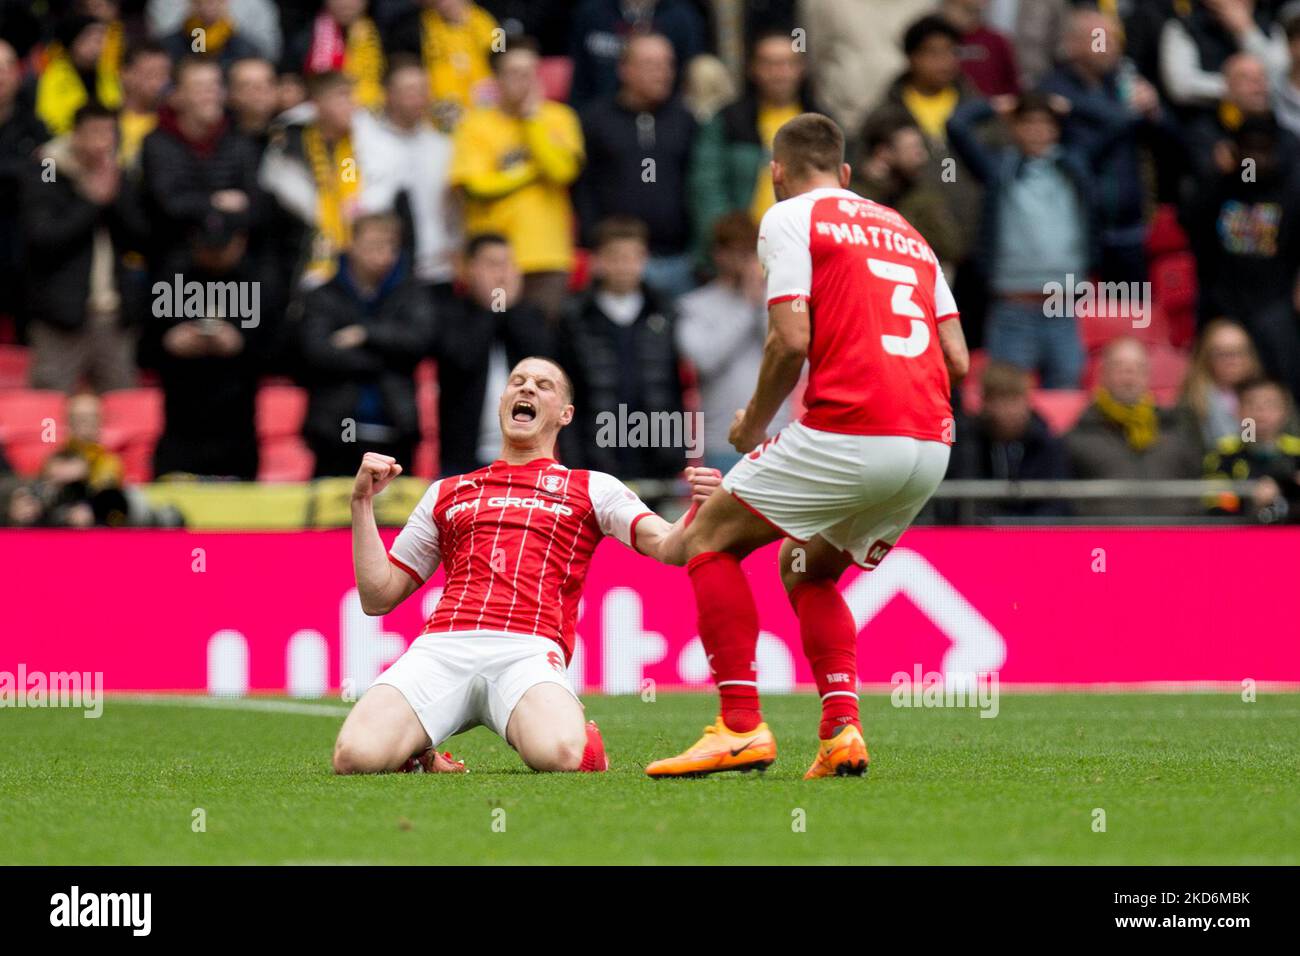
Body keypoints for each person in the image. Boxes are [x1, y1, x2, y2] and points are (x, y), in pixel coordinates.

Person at [646, 113, 969, 780]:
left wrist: (749, 428)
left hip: (852, 427)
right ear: (848, 175)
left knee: (708, 539)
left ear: (776, 174)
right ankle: (841, 731)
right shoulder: (910, 233)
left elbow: (789, 338)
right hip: (929, 444)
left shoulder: (790, 217)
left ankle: (738, 727)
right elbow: (958, 359)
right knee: (807, 568)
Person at [332, 355, 721, 775]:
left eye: (543, 384)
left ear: (565, 414)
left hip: (527, 651)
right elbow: (377, 597)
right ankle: (419, 753)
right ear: (502, 402)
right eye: (517, 381)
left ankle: (576, 729)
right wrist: (362, 503)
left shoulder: (591, 487)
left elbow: (669, 547)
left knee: (562, 756)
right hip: (443, 647)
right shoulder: (447, 490)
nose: (527, 388)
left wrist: (702, 509)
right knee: (355, 758)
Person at [450, 38, 583, 321]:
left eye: (530, 73)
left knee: (540, 352)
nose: (523, 81)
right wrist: (533, 171)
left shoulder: (560, 117)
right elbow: (476, 188)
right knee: (491, 343)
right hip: (492, 260)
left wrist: (532, 120)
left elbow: (563, 172)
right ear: (496, 79)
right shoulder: (475, 124)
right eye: (514, 73)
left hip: (546, 257)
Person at [299, 212, 434, 477]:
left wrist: (365, 334)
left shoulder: (412, 293)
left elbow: (421, 341)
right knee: (334, 513)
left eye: (390, 245)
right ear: (352, 245)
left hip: (396, 426)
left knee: (396, 516)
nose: (382, 253)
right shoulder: (323, 295)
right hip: (334, 431)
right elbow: (317, 352)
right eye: (373, 244)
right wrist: (386, 359)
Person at [558, 216, 687, 482]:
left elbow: (676, 387)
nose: (624, 266)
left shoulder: (664, 312)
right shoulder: (574, 318)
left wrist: (677, 452)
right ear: (597, 261)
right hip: (595, 459)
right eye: (615, 257)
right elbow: (567, 395)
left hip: (657, 459)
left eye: (633, 257)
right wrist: (575, 460)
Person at [22, 101, 138, 393]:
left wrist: (115, 196)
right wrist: (89, 202)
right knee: (48, 409)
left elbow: (140, 236)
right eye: (95, 132)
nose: (103, 142)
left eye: (109, 133)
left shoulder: (116, 172)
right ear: (75, 134)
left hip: (113, 312)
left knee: (123, 404)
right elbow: (43, 239)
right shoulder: (46, 168)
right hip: (61, 316)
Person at [574, 33, 697, 297]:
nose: (663, 73)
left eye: (668, 64)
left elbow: (696, 183)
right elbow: (583, 188)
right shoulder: (595, 119)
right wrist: (593, 244)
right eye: (652, 64)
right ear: (624, 70)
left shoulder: (685, 120)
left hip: (677, 259)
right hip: (615, 261)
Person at [676, 212, 792, 472]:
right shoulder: (695, 304)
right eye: (734, 252)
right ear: (718, 254)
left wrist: (761, 302)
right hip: (721, 441)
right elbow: (703, 361)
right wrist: (746, 306)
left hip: (778, 439)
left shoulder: (777, 303)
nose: (742, 262)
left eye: (748, 253)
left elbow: (792, 355)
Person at [434, 233, 554, 476]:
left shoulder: (531, 316)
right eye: (492, 264)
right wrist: (494, 307)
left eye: (508, 264)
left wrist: (509, 307)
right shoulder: (449, 314)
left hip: (527, 457)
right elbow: (462, 360)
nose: (503, 274)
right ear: (468, 270)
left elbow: (542, 362)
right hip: (463, 458)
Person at [688, 28, 812, 258]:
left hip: (803, 252)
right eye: (769, 64)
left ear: (800, 69)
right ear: (752, 68)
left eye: (787, 63)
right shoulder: (726, 120)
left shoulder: (819, 123)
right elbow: (707, 187)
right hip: (739, 253)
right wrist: (729, 245)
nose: (779, 73)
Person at [1064, 337, 1203, 518]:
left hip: (1173, 540)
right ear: (1103, 374)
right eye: (1120, 367)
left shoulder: (1177, 429)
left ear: (1148, 375)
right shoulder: (1079, 435)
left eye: (1137, 368)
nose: (1129, 375)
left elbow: (1199, 489)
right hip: (1105, 542)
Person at [946, 361, 1070, 519]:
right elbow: (964, 502)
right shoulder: (967, 440)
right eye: (1000, 400)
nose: (1008, 411)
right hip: (982, 534)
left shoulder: (1046, 442)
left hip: (1035, 535)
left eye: (1014, 400)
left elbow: (1056, 505)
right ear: (985, 403)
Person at [382, 0, 499, 131]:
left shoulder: (493, 23)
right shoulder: (413, 27)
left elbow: (503, 59)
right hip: (437, 117)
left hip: (487, 112)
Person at [1203, 377, 1300, 522]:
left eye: (1270, 404)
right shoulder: (1223, 453)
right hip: (1244, 536)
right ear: (1238, 411)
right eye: (1252, 404)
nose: (1261, 413)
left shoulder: (1297, 451)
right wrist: (1252, 502)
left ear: (1285, 412)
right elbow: (1217, 509)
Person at [1178, 318, 1265, 449]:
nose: (1232, 361)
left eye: (1238, 352)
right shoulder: (1192, 402)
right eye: (1222, 354)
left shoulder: (1269, 395)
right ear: (1206, 358)